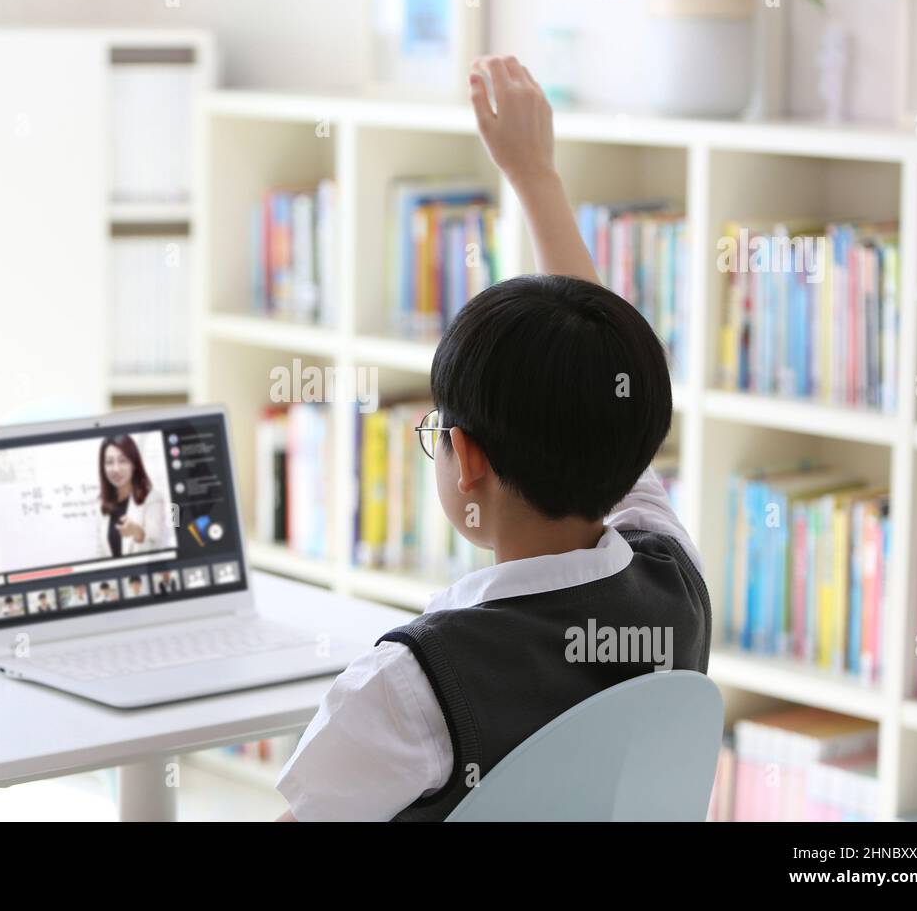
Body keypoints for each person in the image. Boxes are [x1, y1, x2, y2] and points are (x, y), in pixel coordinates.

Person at [274, 56, 709, 822]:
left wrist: (533, 169)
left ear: (466, 461)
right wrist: (535, 174)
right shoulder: (674, 580)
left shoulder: (411, 687)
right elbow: (603, 373)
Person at [98, 434, 177, 558]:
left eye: (123, 460)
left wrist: (138, 533)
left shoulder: (153, 498)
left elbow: (156, 545)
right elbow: (101, 552)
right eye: (109, 462)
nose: (116, 469)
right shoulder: (102, 503)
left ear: (134, 464)